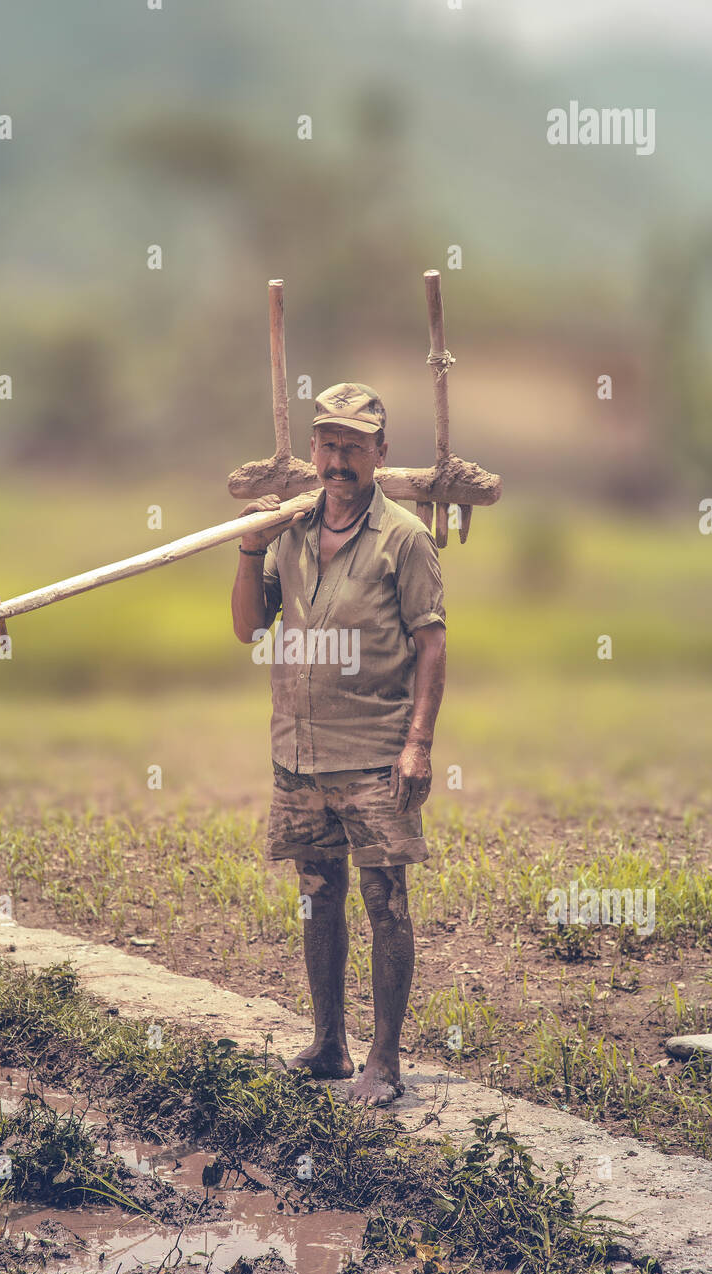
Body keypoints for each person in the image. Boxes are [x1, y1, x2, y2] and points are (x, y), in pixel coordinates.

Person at [231, 383, 446, 1105]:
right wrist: (248, 549)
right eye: (328, 444)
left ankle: (382, 1064)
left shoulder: (404, 538)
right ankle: (328, 1044)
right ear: (314, 453)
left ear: (381, 454)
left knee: (386, 901)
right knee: (319, 895)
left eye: (355, 445)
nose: (339, 458)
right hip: (299, 752)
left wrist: (418, 744)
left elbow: (432, 644)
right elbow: (246, 628)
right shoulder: (291, 531)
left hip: (376, 752)